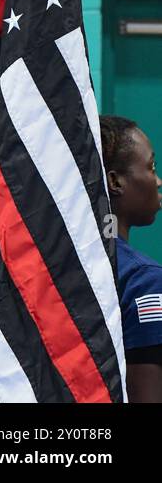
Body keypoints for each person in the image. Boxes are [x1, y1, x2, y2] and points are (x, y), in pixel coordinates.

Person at [101, 114, 162, 401]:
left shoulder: (51, 266)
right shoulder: (143, 280)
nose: (158, 180)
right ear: (115, 182)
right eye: (151, 167)